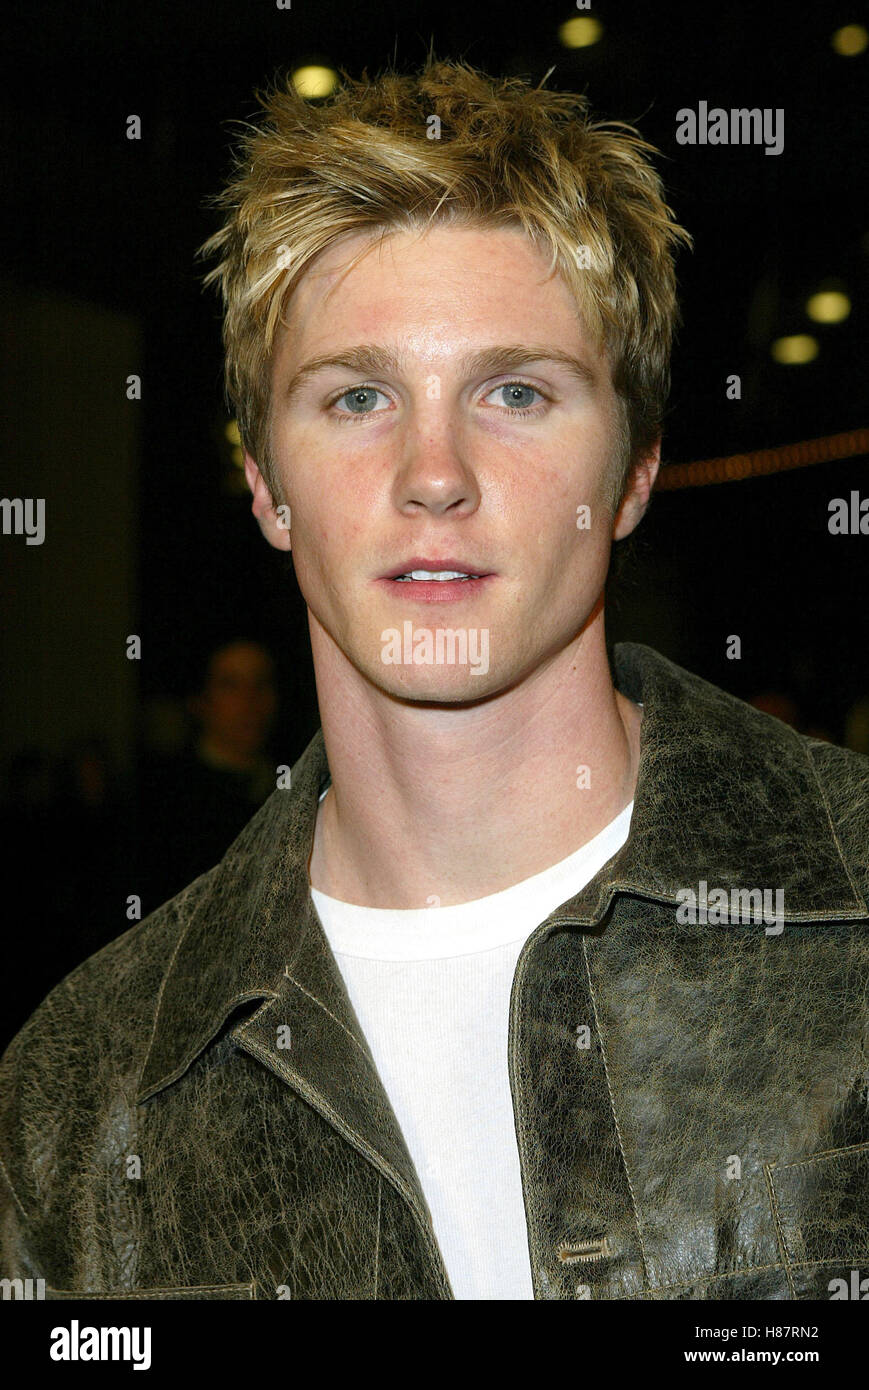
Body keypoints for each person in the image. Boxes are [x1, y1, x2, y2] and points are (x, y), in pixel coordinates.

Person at [1, 60, 867, 1303]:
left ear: (632, 472)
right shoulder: (72, 1107)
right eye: (358, 397)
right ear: (264, 486)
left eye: (513, 392)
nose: (434, 473)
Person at [137, 639, 278, 909]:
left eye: (261, 683)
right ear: (200, 701)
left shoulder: (299, 784)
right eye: (230, 685)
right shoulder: (168, 800)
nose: (250, 701)